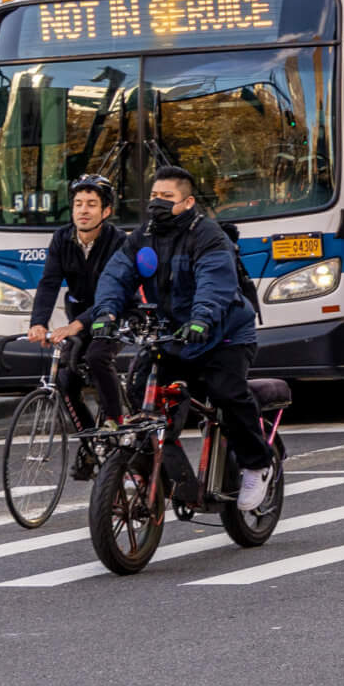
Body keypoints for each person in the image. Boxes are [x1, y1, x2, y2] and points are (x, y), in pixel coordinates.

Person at [89, 167, 273, 511]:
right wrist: (105, 314)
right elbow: (117, 275)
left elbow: (214, 282)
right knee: (144, 395)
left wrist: (201, 319)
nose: (157, 204)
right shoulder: (142, 236)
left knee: (225, 393)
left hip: (223, 334)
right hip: (174, 335)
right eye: (154, 197)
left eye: (167, 198)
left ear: (188, 202)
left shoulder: (208, 235)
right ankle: (164, 474)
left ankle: (256, 464)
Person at [27, 173, 127, 478]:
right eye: (78, 204)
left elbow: (113, 293)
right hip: (81, 313)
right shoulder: (62, 238)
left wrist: (74, 326)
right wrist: (38, 323)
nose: (83, 210)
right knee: (66, 376)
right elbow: (49, 283)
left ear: (105, 211)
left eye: (92, 204)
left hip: (114, 312)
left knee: (97, 357)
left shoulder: (119, 242)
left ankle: (114, 423)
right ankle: (89, 443)